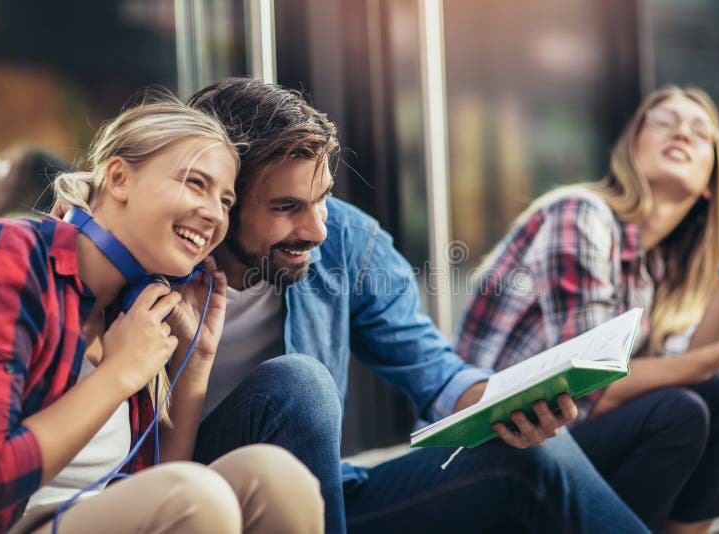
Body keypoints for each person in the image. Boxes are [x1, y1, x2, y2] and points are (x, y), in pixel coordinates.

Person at [187, 77, 650, 534]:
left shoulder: (347, 240)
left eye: (322, 199)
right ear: (224, 200)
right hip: (196, 496)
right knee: (300, 382)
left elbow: (435, 373)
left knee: (529, 453)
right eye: (286, 207)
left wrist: (518, 404)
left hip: (325, 497)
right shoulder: (160, 258)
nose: (316, 231)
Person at [455, 85, 719, 534]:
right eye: (664, 121)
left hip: (559, 444)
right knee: (680, 413)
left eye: (700, 131)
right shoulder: (579, 214)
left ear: (713, 182)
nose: (682, 133)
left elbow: (695, 370)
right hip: (488, 457)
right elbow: (589, 387)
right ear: (634, 147)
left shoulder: (650, 268)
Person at [0, 96, 324, 534]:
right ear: (118, 178)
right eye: (195, 183)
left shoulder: (136, 308)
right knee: (194, 498)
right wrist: (120, 373)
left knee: (276, 479)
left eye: (225, 201)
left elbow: (154, 483)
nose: (213, 214)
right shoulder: (14, 253)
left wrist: (195, 359)